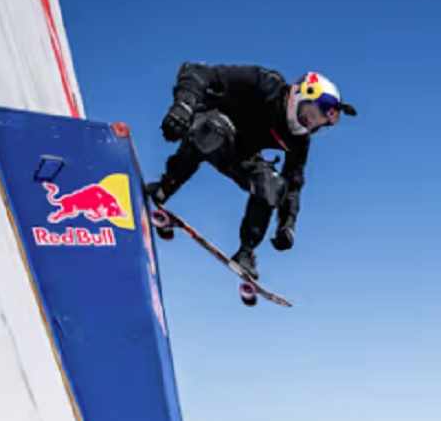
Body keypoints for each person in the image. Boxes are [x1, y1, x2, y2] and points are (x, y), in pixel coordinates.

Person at [145, 63, 354, 280]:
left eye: (318, 123)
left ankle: (246, 253)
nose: (309, 125)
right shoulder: (266, 84)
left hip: (239, 155)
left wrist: (287, 225)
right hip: (208, 124)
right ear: (298, 95)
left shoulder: (299, 139)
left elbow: (293, 182)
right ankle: (164, 188)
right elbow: (196, 71)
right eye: (310, 114)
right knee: (212, 132)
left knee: (273, 185)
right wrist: (183, 107)